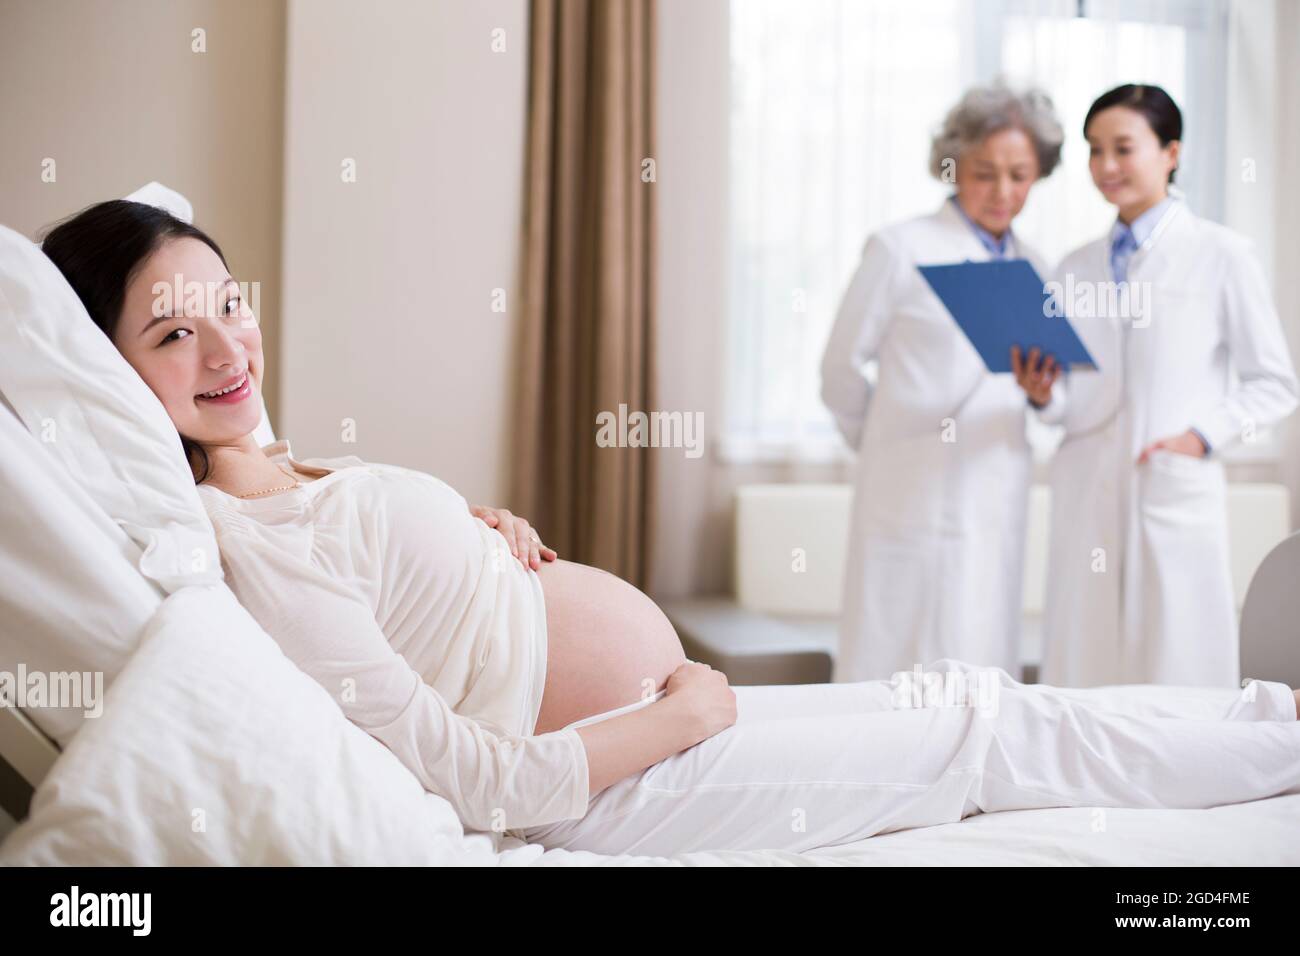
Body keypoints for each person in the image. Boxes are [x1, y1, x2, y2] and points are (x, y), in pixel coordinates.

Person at [37, 199, 1300, 858]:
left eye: (227, 306)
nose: (224, 347)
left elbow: (416, 597)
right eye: (169, 333)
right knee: (976, 728)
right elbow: (467, 777)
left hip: (643, 725)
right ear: (111, 373)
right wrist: (677, 717)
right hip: (613, 777)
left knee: (972, 700)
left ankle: (1272, 724)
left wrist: (475, 539)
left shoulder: (289, 463)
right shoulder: (242, 541)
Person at [1014, 84, 1299, 688]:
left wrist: (1200, 437)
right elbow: (1072, 398)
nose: (1106, 167)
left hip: (1170, 481)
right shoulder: (1074, 266)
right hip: (1088, 481)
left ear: (1171, 152)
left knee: (1178, 660)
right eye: (1094, 151)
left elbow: (1275, 384)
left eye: (1123, 148)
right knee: (1083, 663)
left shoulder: (1223, 255)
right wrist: (1043, 394)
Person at [820, 83, 1061, 683]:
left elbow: (1059, 395)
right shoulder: (900, 248)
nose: (1003, 192)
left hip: (995, 485)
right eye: (985, 173)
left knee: (980, 664)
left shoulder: (1035, 267)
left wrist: (1042, 393)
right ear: (953, 166)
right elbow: (840, 368)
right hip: (908, 487)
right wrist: (882, 441)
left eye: (1020, 175)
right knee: (892, 658)